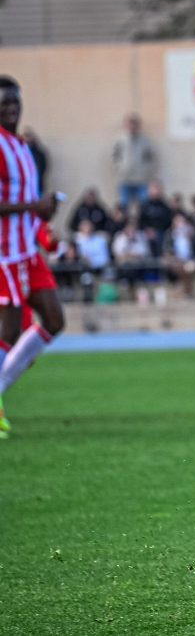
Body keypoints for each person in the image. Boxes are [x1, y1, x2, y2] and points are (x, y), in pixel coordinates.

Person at [0, 75, 66, 438]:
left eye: (15, 101)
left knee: (54, 319)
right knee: (8, 329)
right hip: (5, 255)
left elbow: (28, 208)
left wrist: (43, 222)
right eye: (4, 103)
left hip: (29, 251)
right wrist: (34, 206)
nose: (11, 108)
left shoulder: (22, 146)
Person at [112, 113, 156, 209]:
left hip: (141, 179)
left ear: (138, 126)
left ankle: (142, 224)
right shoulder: (120, 141)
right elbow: (115, 156)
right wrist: (119, 168)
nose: (132, 127)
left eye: (134, 125)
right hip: (124, 179)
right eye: (129, 125)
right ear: (126, 126)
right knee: (123, 206)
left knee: (144, 205)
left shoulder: (145, 141)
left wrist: (146, 171)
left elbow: (150, 158)